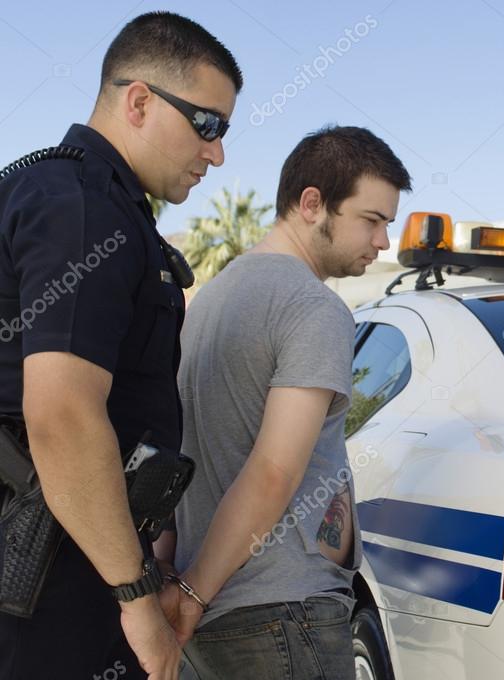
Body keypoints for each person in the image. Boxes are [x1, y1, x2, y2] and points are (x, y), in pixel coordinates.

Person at [0, 12, 241, 680]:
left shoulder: (78, 198)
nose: (216, 152)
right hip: (44, 586)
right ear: (139, 100)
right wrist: (136, 602)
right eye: (208, 124)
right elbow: (64, 416)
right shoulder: (84, 207)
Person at [155, 125, 411, 679]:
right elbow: (274, 470)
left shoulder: (211, 301)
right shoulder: (311, 307)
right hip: (281, 612)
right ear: (312, 204)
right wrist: (193, 593)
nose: (382, 242)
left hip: (217, 613)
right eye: (371, 220)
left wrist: (182, 584)